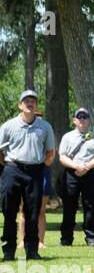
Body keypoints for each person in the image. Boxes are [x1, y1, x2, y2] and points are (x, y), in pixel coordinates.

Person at [1, 89, 56, 261]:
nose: (30, 103)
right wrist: (8, 166)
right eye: (26, 101)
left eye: (33, 101)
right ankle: (9, 251)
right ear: (20, 105)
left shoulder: (45, 126)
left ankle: (32, 250)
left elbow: (50, 152)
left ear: (36, 105)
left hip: (35, 172)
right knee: (9, 211)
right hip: (12, 170)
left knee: (33, 212)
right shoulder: (9, 125)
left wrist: (40, 167)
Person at [58, 108, 94, 246]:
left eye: (85, 117)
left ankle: (91, 237)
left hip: (90, 173)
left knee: (91, 206)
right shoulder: (67, 137)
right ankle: (66, 238)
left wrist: (87, 167)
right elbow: (62, 157)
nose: (82, 119)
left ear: (89, 119)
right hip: (71, 173)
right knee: (69, 206)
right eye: (79, 117)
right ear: (74, 120)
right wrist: (76, 166)